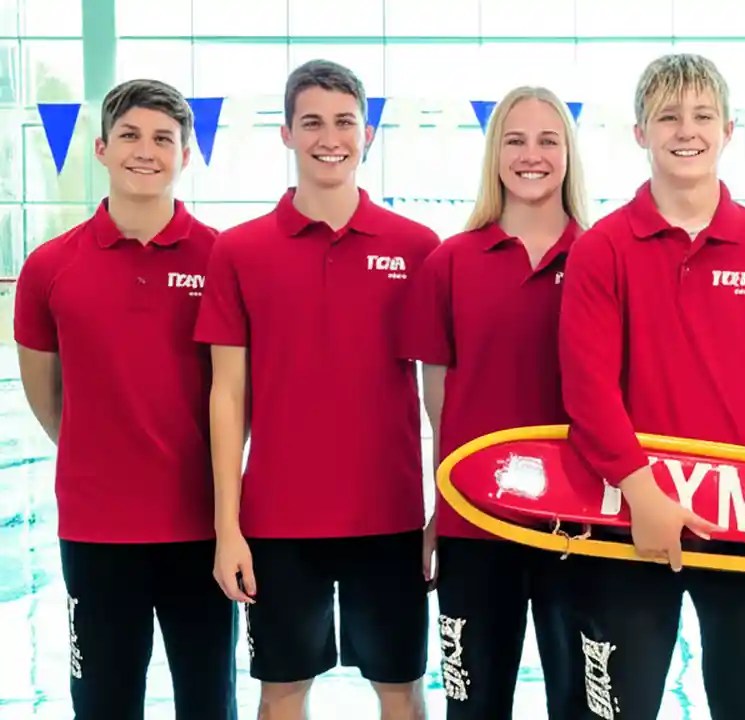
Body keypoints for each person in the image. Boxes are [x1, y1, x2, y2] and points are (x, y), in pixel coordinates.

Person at [557, 53, 745, 720]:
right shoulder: (603, 248)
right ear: (640, 133)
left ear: (729, 130)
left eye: (703, 115)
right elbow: (588, 386)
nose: (687, 130)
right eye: (668, 116)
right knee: (617, 708)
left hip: (744, 510)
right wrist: (641, 492)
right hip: (628, 512)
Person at [195, 59, 440, 720]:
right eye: (312, 123)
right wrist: (227, 526)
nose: (329, 137)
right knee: (280, 692)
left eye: (343, 122)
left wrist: (443, 507)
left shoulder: (417, 248)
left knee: (401, 690)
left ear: (368, 134)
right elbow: (227, 395)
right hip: (277, 521)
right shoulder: (240, 252)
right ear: (286, 134)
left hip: (387, 516)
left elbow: (438, 394)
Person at [13, 79, 236, 720]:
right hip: (96, 527)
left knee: (209, 701)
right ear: (102, 149)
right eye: (131, 136)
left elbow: (238, 391)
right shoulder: (50, 266)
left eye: (164, 138)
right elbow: (45, 395)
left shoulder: (222, 257)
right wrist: (101, 452)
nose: (147, 151)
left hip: (202, 525)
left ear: (186, 155)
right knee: (103, 701)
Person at [399, 85, 590, 720]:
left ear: (569, 153)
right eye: (515, 140)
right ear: (494, 153)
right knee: (473, 707)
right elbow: (440, 402)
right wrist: (440, 506)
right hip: (475, 520)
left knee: (580, 705)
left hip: (583, 521)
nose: (530, 155)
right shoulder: (449, 263)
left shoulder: (603, 257)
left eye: (547, 140)